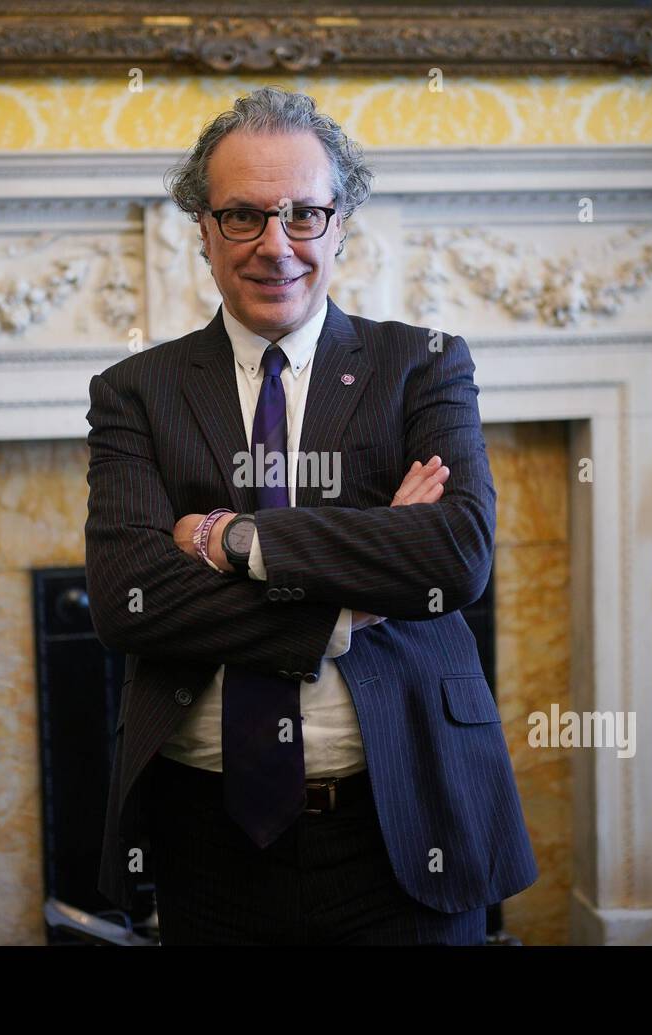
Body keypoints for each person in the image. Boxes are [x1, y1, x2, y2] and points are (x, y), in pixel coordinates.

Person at [85, 86, 537, 946]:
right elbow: (126, 596)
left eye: (303, 215)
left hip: (403, 824)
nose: (274, 247)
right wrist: (350, 601)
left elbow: (454, 555)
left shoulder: (421, 366)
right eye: (243, 217)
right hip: (206, 841)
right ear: (204, 230)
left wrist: (231, 540)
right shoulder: (136, 393)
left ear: (340, 226)